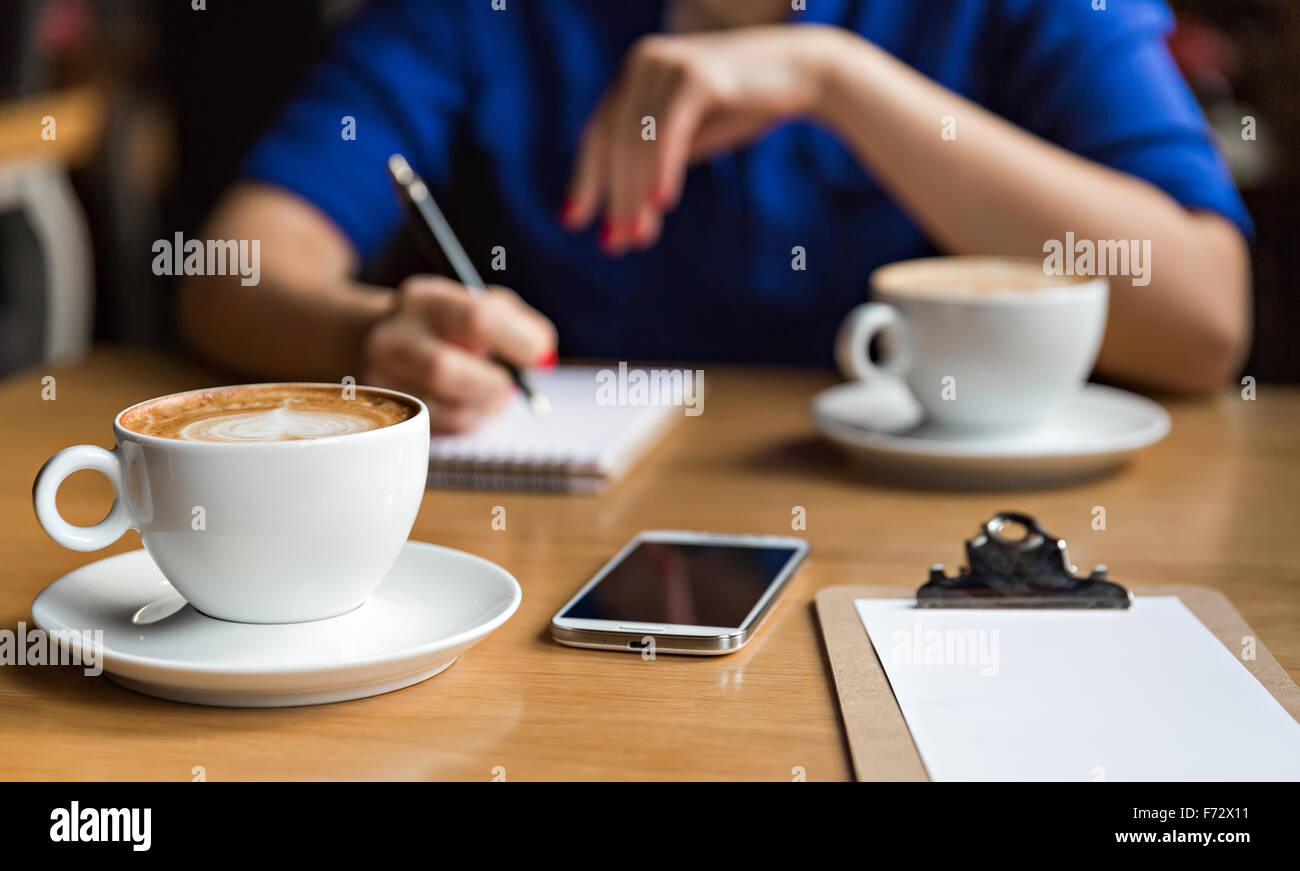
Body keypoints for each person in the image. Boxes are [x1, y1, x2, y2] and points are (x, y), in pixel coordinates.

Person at [180, 0, 1252, 432]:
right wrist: (361, 334)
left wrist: (839, 80)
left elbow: (1202, 322)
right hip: (577, 544)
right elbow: (231, 263)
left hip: (933, 546)